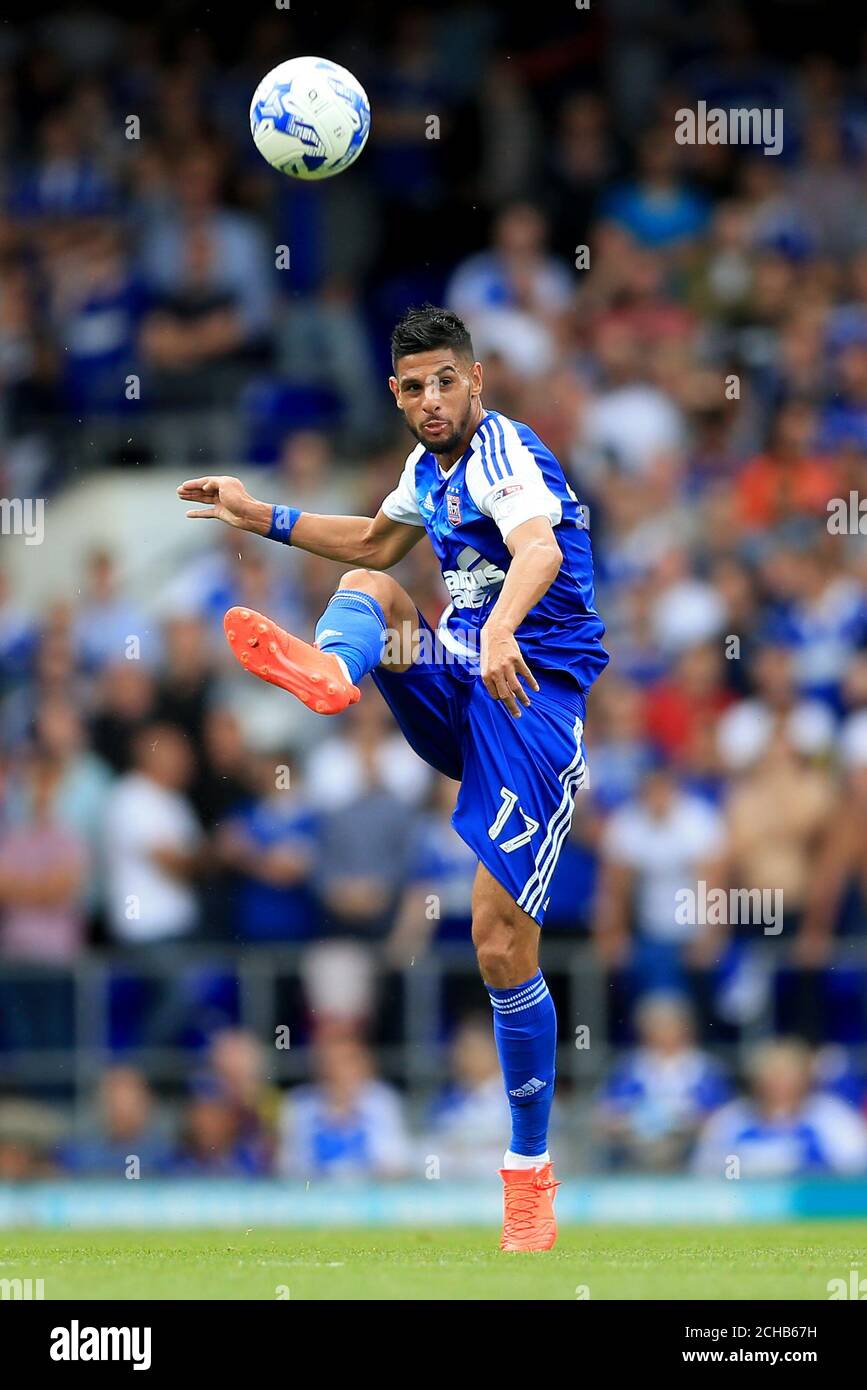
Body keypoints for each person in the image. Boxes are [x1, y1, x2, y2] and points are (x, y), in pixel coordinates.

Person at [177, 303, 609, 1251]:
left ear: (475, 379)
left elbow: (537, 546)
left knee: (499, 946)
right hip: (461, 678)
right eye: (414, 387)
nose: (431, 399)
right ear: (396, 394)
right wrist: (258, 514)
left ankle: (528, 1172)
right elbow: (376, 543)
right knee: (373, 585)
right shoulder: (426, 469)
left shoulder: (505, 451)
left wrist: (503, 627)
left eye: (446, 380)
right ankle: (335, 673)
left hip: (530, 704)